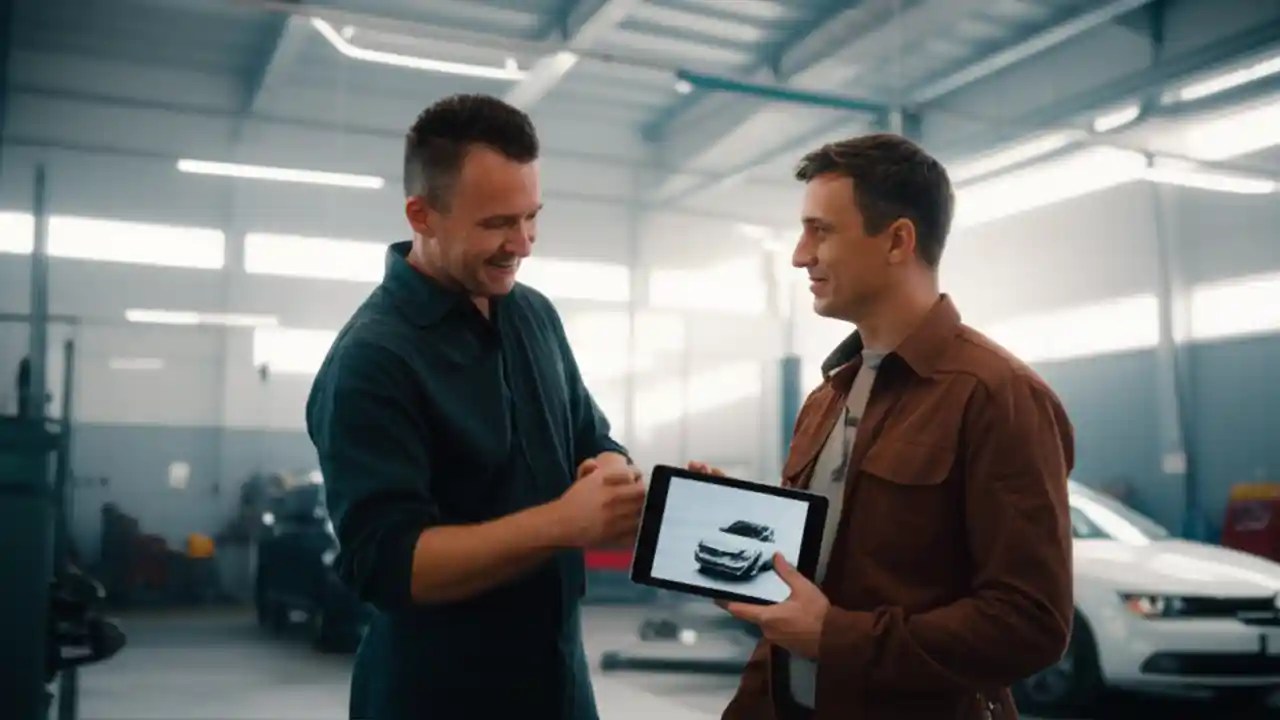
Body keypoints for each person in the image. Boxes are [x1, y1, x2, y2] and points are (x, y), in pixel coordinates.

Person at [710, 134, 1075, 720]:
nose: (800, 255)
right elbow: (798, 602)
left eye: (821, 231)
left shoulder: (997, 395)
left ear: (898, 240)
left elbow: (1029, 624)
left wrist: (837, 638)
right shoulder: (826, 399)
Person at [305, 94, 645, 720]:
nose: (522, 244)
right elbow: (389, 565)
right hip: (437, 697)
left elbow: (590, 436)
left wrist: (610, 471)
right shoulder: (372, 361)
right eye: (496, 224)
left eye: (531, 218)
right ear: (422, 214)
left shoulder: (533, 314)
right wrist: (565, 524)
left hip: (558, 682)